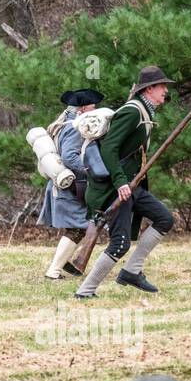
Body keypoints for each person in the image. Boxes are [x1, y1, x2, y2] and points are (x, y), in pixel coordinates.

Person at [74, 66, 177, 299]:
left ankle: (131, 271)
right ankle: (85, 291)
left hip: (132, 186)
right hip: (115, 188)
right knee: (120, 243)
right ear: (149, 89)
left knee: (164, 218)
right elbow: (110, 148)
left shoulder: (146, 112)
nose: (165, 90)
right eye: (162, 86)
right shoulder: (133, 112)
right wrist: (121, 182)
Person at [37, 88, 103, 279]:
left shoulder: (65, 123)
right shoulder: (75, 127)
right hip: (70, 186)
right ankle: (54, 270)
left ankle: (62, 262)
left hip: (66, 185)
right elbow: (69, 157)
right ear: (82, 109)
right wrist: (92, 170)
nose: (95, 110)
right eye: (92, 107)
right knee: (79, 227)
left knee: (77, 228)